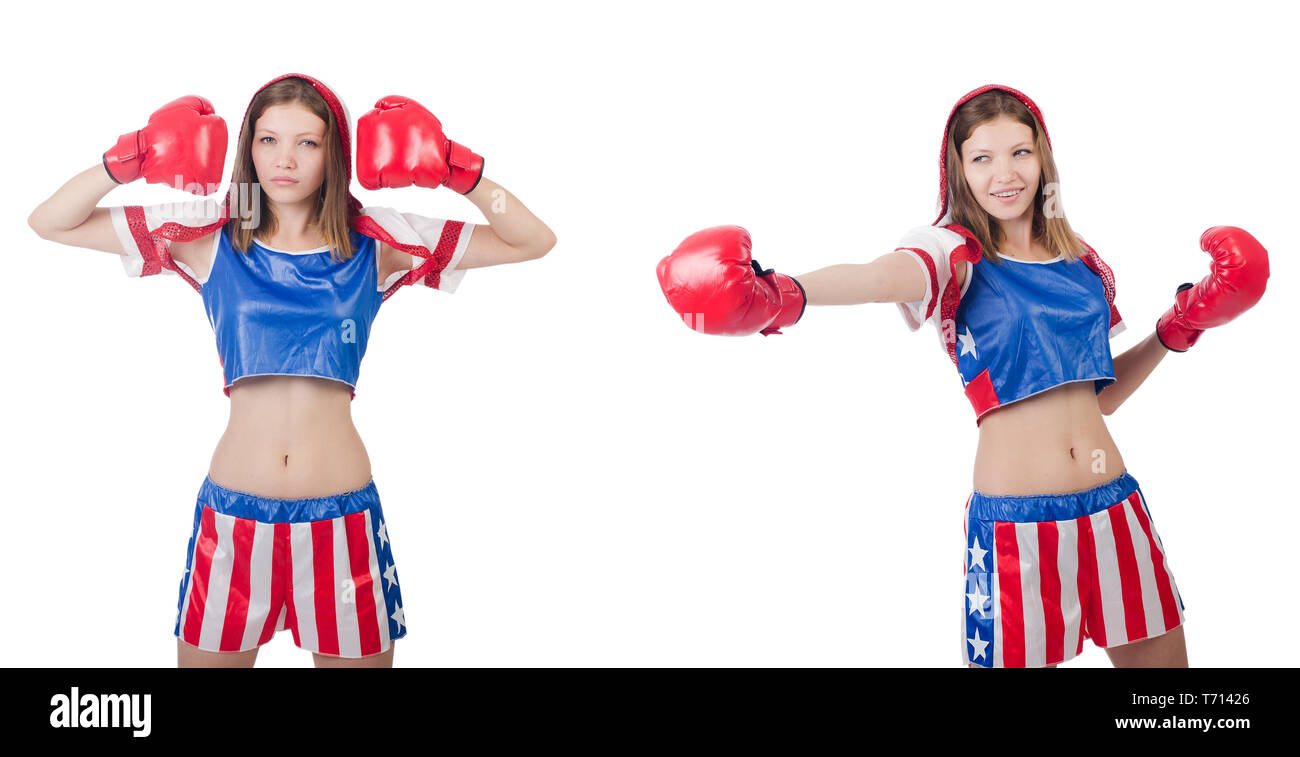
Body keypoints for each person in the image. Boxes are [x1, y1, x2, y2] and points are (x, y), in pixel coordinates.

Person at [656, 84, 1268, 668]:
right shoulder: (952, 251)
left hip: (1115, 506)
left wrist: (1180, 325)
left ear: (1042, 157)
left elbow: (1097, 399)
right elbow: (879, 277)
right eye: (983, 158)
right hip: (1016, 526)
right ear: (959, 170)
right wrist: (781, 294)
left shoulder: (1082, 263)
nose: (1005, 174)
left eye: (1020, 153)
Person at [27, 73, 556, 668]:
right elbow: (50, 222)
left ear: (335, 154)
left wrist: (460, 170)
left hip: (341, 515)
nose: (285, 160)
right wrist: (131, 157)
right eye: (268, 139)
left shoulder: (376, 240)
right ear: (247, 148)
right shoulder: (210, 233)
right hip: (233, 517)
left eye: (307, 142)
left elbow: (531, 240)